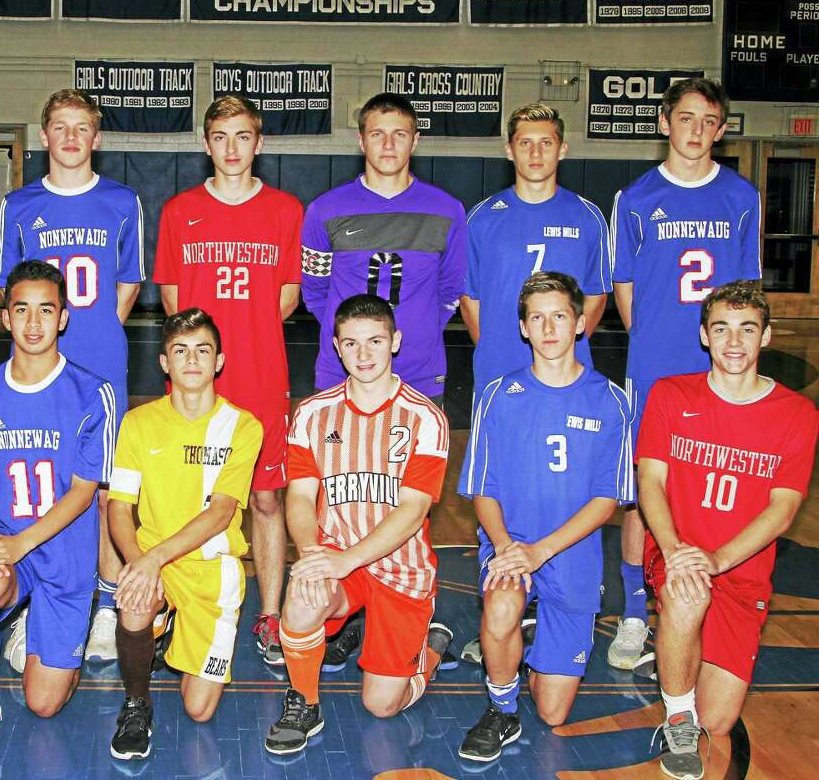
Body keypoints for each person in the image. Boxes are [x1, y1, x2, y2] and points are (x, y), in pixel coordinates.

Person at [608, 78, 762, 671]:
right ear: (665, 122)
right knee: (638, 496)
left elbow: (746, 294)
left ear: (720, 130)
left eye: (708, 122)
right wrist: (652, 341)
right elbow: (625, 287)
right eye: (686, 118)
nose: (696, 131)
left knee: (712, 487)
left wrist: (731, 352)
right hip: (654, 369)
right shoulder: (637, 198)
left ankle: (708, 598)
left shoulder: (741, 197)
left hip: (720, 369)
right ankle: (630, 613)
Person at [639, 281, 817, 779]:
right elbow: (650, 480)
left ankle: (678, 648)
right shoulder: (672, 395)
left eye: (746, 329)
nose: (733, 342)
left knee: (717, 720)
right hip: (676, 552)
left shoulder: (797, 414)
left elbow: (782, 510)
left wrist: (717, 560)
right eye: (721, 329)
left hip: (741, 572)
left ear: (765, 337)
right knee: (688, 592)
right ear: (704, 336)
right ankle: (676, 716)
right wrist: (674, 549)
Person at [264, 293, 452, 756]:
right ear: (336, 346)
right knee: (304, 594)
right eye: (351, 344)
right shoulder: (312, 414)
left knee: (381, 705)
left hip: (399, 570)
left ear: (396, 342)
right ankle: (304, 703)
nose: (363, 355)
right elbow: (301, 497)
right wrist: (312, 555)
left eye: (374, 341)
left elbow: (412, 512)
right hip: (337, 556)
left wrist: (345, 559)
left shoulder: (425, 418)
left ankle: (427, 653)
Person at [457, 272, 633, 763]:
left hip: (570, 553)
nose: (549, 327)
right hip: (510, 541)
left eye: (560, 316)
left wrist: (542, 551)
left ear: (580, 324)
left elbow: (607, 499)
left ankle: (532, 652)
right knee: (502, 602)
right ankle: (501, 708)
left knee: (554, 712)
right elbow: (483, 491)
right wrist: (508, 548)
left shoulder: (610, 400)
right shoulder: (497, 395)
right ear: (523, 328)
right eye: (538, 317)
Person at [0, 89, 144, 665]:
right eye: (61, 127)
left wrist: (98, 332)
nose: (72, 138)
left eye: (82, 128)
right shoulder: (19, 205)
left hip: (99, 361)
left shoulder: (122, 201)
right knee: (43, 482)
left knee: (109, 490)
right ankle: (40, 601)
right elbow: (11, 291)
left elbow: (128, 282)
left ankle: (106, 607)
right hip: (34, 361)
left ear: (96, 138)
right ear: (45, 136)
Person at [154, 95, 302, 666]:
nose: (232, 148)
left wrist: (247, 331)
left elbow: (286, 300)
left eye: (243, 136)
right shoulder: (178, 212)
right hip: (194, 381)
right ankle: (178, 605)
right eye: (221, 136)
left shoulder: (287, 210)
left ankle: (270, 614)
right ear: (206, 144)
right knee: (183, 499)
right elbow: (173, 303)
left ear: (258, 143)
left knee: (266, 498)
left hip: (262, 375)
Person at [0, 261, 115, 752]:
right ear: (5, 317)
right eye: (22, 310)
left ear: (63, 317)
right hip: (5, 539)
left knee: (44, 705)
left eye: (47, 310)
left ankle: (34, 626)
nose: (35, 323)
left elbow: (84, 492)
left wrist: (20, 544)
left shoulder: (91, 394)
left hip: (63, 555)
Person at [107, 308, 263, 760]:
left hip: (212, 571)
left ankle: (172, 625)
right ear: (164, 363)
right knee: (134, 601)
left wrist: (150, 561)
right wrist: (141, 562)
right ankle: (137, 703)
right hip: (154, 559)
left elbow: (220, 515)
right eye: (180, 351)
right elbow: (119, 507)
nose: (191, 360)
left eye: (202, 350)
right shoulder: (138, 423)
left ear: (218, 361)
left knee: (198, 710)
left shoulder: (242, 426)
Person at [300, 92, 467, 403]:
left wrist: (420, 330)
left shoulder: (447, 210)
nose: (388, 145)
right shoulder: (323, 211)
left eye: (399, 135)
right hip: (342, 374)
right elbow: (314, 292)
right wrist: (355, 339)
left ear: (414, 141)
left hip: (419, 373)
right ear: (362, 141)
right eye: (377, 134)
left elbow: (450, 290)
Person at [462, 104, 611, 398]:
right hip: (498, 371)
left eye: (546, 143)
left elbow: (596, 296)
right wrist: (496, 349)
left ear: (563, 149)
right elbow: (469, 300)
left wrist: (563, 347)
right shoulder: (481, 218)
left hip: (568, 372)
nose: (535, 154)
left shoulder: (588, 217)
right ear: (509, 150)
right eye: (525, 143)